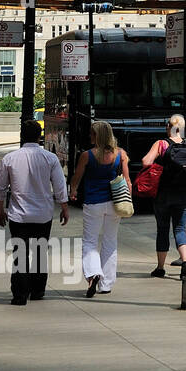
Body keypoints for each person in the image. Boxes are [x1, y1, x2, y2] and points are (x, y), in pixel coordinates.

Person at [0, 120, 69, 305]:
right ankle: (37, 290)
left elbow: (0, 185)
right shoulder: (50, 158)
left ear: (21, 136)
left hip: (18, 215)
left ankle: (20, 294)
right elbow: (59, 186)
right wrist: (64, 208)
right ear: (39, 136)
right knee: (40, 252)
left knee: (20, 253)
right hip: (43, 215)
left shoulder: (10, 158)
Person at [69, 121, 130, 297]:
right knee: (110, 242)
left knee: (90, 241)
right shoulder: (121, 154)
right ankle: (106, 284)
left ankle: (93, 273)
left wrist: (72, 190)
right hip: (114, 203)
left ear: (98, 135)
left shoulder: (87, 156)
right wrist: (128, 201)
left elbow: (77, 177)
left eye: (92, 134)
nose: (89, 136)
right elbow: (127, 181)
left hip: (93, 202)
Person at [141, 114, 186, 278]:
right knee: (180, 229)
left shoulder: (161, 144)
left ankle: (160, 268)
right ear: (181, 129)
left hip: (163, 193)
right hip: (185, 194)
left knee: (162, 229)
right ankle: (185, 262)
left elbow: (146, 162)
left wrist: (160, 164)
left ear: (168, 127)